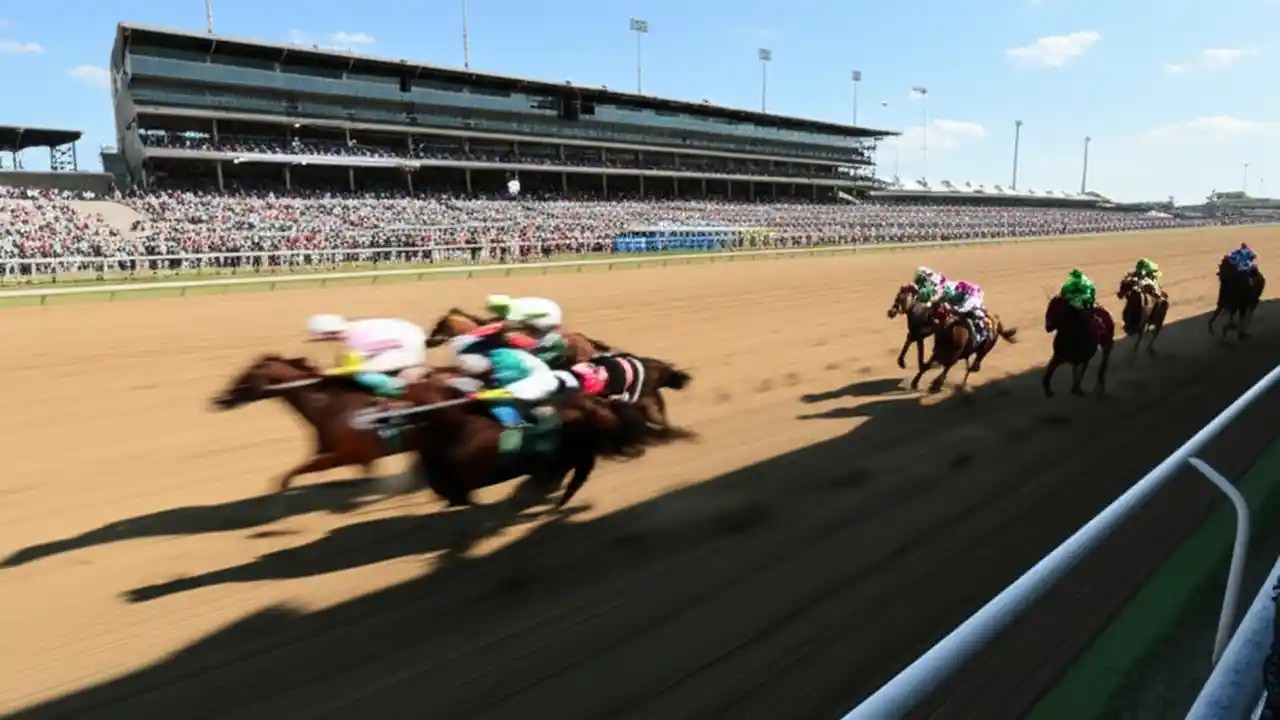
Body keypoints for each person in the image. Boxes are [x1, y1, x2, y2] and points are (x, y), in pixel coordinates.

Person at [454, 340, 564, 454]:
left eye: (481, 376)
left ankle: (520, 446)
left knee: (508, 415)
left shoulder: (525, 379)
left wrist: (478, 395)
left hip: (529, 384)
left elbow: (505, 393)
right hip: (510, 379)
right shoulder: (491, 356)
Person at [306, 314, 429, 399]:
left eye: (325, 336)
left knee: (362, 375)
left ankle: (397, 385)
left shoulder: (356, 338)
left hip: (407, 348)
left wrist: (331, 372)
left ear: (331, 332)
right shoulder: (353, 328)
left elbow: (355, 367)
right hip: (409, 338)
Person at [485, 294, 568, 366]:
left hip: (548, 320)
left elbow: (508, 324)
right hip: (551, 313)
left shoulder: (514, 310)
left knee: (511, 333)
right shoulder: (515, 305)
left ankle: (533, 350)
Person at [939, 280, 991, 346]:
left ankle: (976, 336)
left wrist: (952, 309)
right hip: (960, 303)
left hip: (971, 305)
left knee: (971, 319)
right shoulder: (951, 288)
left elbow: (962, 310)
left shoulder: (971, 299)